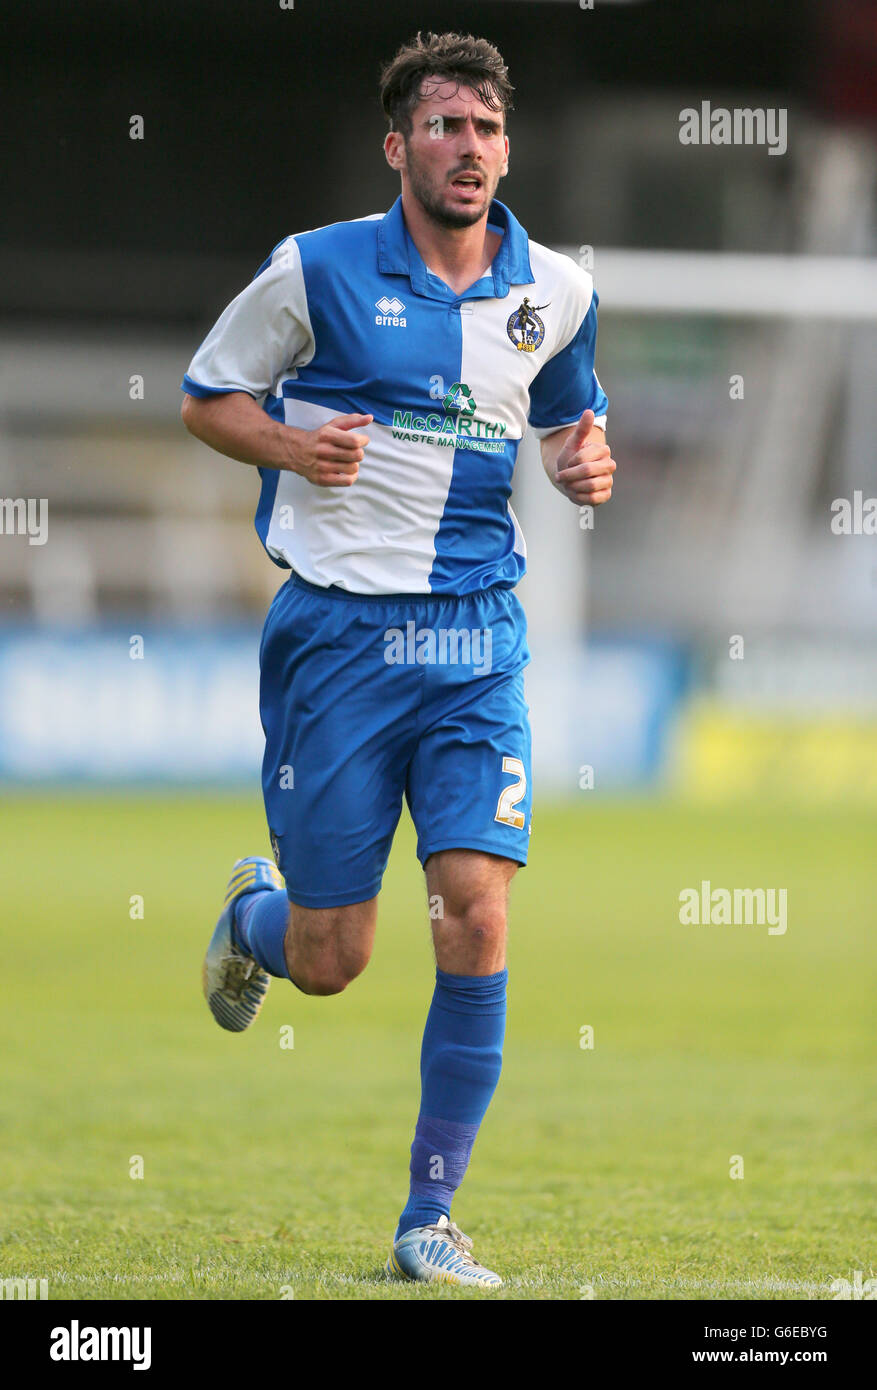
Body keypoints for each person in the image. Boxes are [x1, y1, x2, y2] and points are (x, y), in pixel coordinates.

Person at [180, 29, 614, 1289]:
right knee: (334, 959)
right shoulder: (312, 271)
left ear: (505, 149)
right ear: (397, 145)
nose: (467, 147)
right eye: (443, 126)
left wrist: (583, 462)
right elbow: (208, 396)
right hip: (340, 643)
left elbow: (567, 421)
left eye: (485, 128)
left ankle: (430, 1219)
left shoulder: (556, 291)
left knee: (475, 909)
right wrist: (290, 447)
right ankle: (251, 919)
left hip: (476, 641)